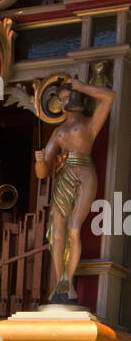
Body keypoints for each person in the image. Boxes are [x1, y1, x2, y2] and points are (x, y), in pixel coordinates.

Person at [35, 75, 114, 303]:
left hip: (84, 173)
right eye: (61, 99)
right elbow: (42, 172)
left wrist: (83, 86)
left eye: (68, 97)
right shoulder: (58, 131)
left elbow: (109, 96)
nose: (64, 102)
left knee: (74, 228)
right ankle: (57, 282)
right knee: (57, 233)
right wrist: (40, 161)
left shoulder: (89, 124)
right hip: (64, 177)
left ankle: (68, 282)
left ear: (78, 96)